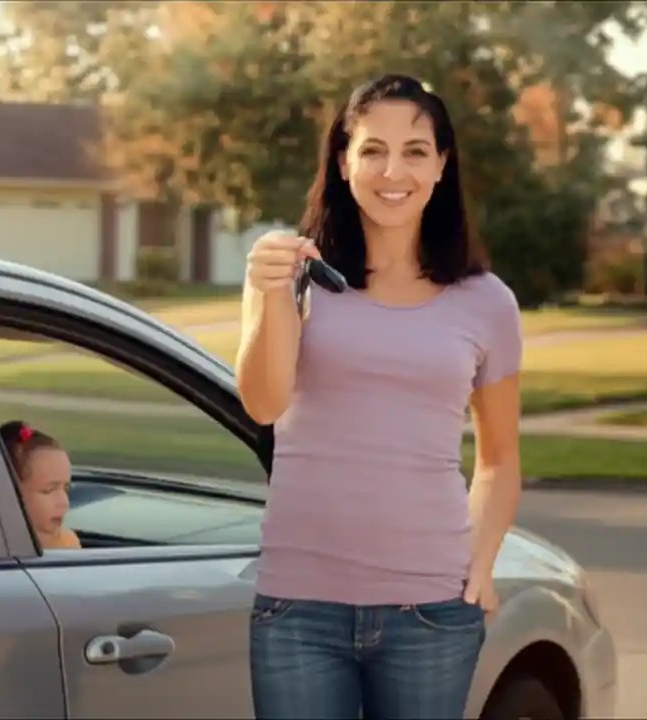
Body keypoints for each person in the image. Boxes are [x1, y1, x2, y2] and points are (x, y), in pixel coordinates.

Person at [237, 74, 522, 719]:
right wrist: (271, 295)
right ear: (343, 162)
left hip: (432, 612)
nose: (394, 170)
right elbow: (262, 404)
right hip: (297, 608)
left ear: (443, 165)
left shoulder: (487, 303)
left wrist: (479, 563)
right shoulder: (291, 274)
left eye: (416, 151)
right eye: (372, 150)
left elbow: (500, 458)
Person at [0, 421, 81, 550]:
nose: (64, 503)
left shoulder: (67, 543)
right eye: (48, 490)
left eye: (66, 489)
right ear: (10, 492)